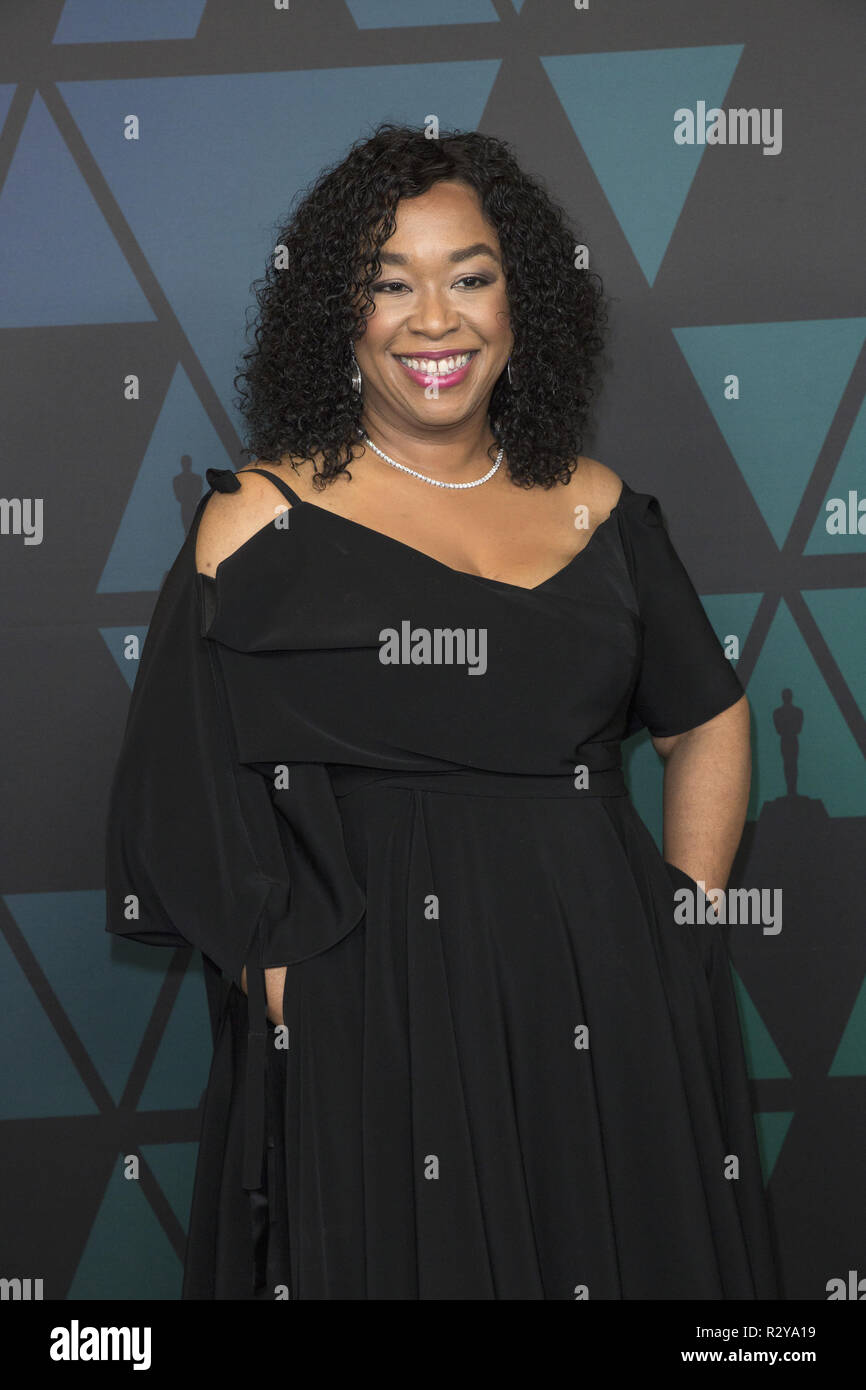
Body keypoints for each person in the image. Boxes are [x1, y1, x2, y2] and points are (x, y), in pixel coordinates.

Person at [104, 122, 779, 1299]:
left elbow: (705, 719)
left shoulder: (602, 512)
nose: (434, 319)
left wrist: (677, 921)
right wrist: (297, 991)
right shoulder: (256, 522)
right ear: (338, 314)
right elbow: (180, 799)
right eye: (388, 283)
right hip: (371, 1015)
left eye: (469, 276)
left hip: (598, 1001)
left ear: (520, 303)